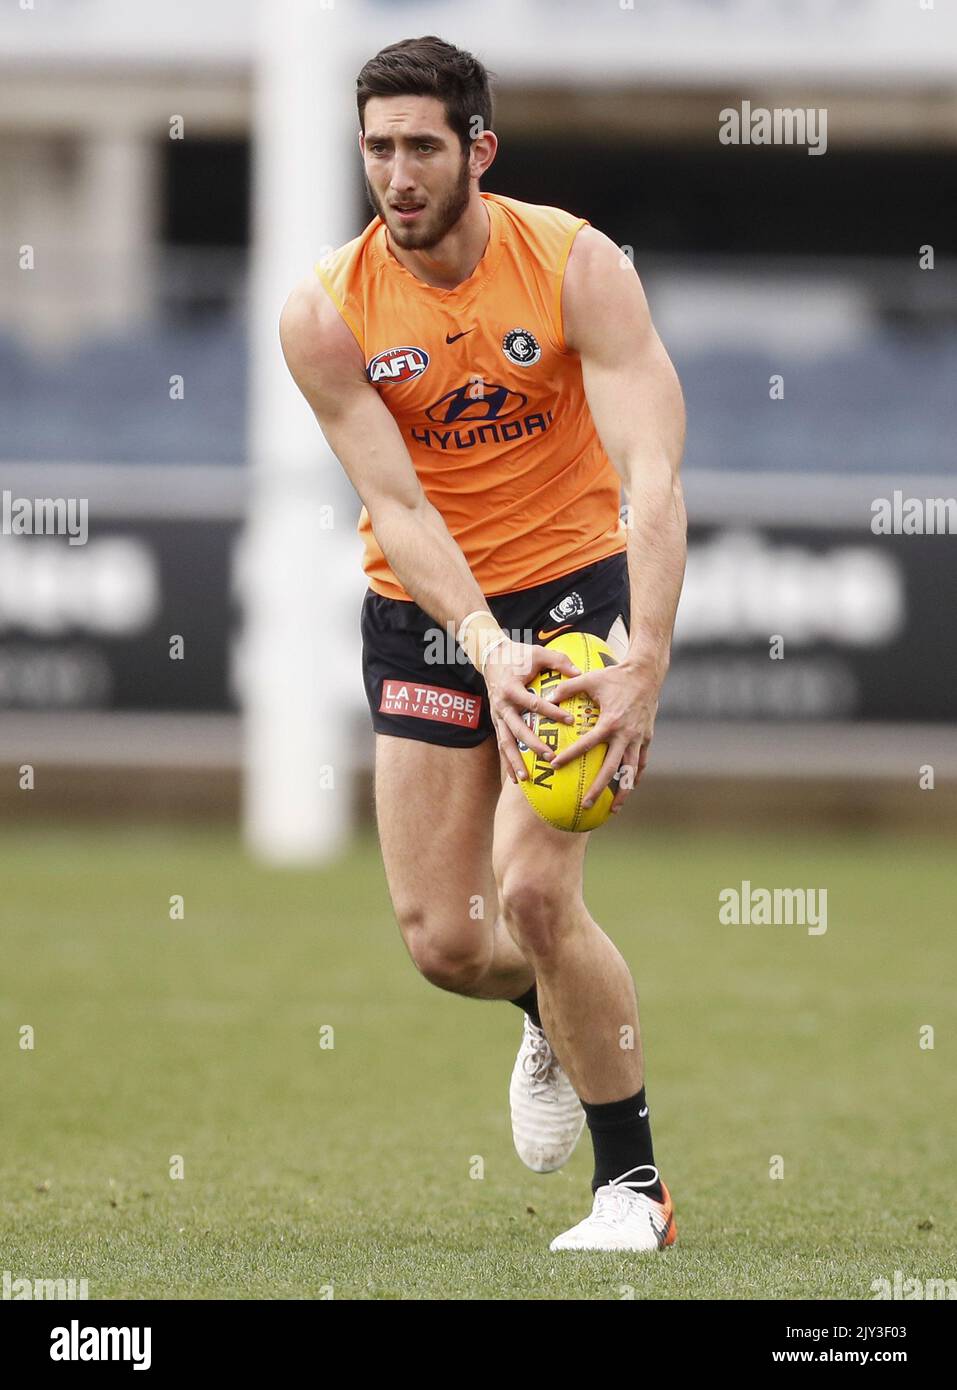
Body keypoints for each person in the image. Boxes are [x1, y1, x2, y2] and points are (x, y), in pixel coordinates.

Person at [280, 34, 687, 1252]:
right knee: (451, 941)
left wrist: (646, 661)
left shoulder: (575, 264)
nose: (397, 173)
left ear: (477, 151)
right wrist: (477, 641)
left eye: (421, 145)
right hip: (428, 610)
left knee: (531, 889)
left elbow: (653, 473)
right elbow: (397, 508)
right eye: (377, 148)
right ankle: (537, 1008)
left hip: (571, 594)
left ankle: (636, 1191)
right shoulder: (326, 310)